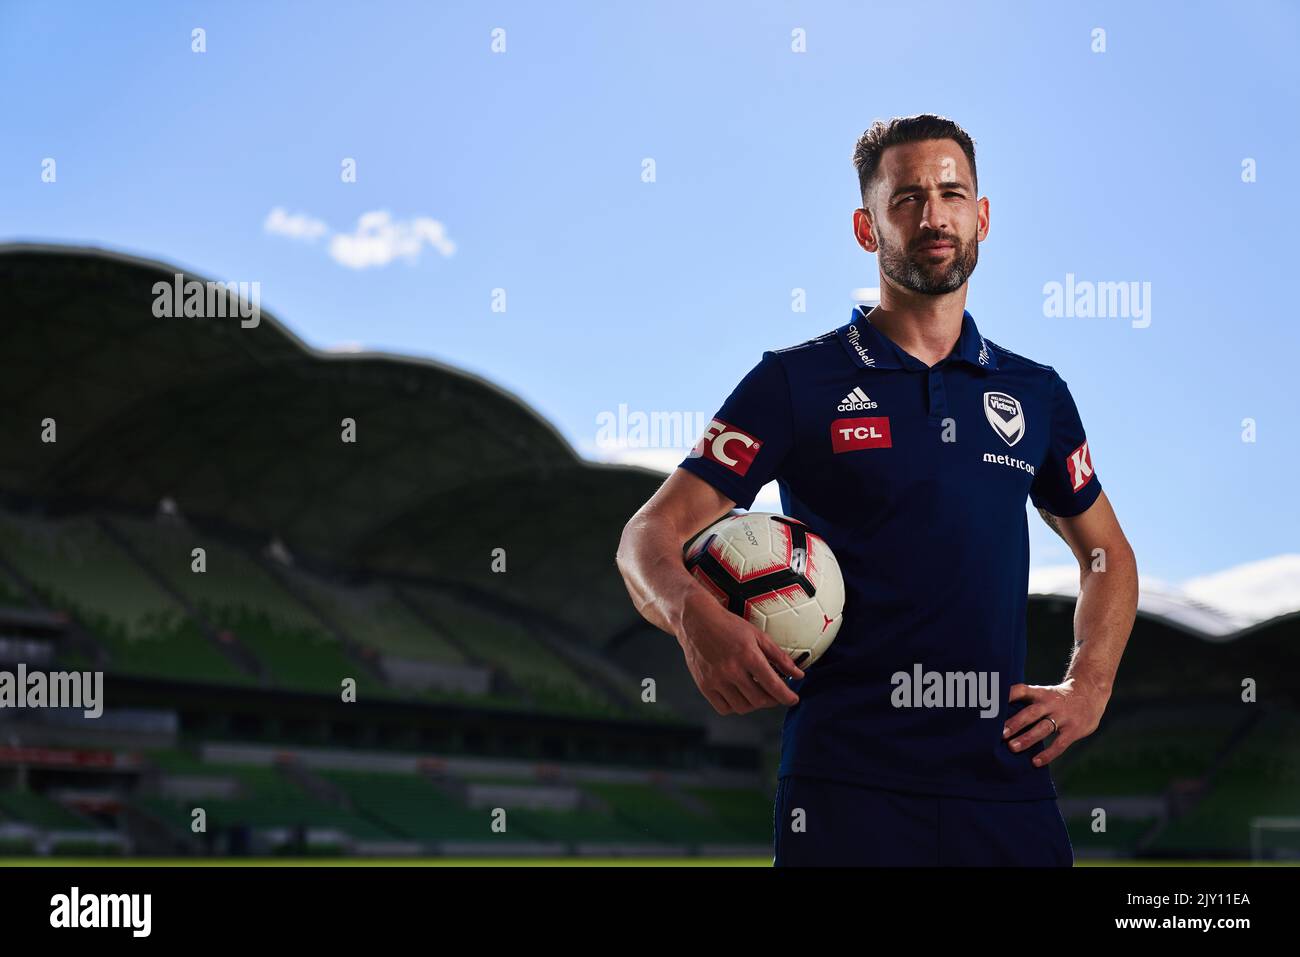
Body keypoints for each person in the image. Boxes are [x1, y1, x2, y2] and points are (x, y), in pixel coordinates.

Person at [615, 114, 1138, 866]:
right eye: (907, 199)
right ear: (867, 228)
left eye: (953, 194)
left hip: (1004, 788)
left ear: (982, 217)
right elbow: (646, 538)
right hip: (844, 789)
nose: (934, 215)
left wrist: (1088, 686)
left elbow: (1109, 555)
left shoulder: (1036, 394)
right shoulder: (794, 382)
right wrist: (693, 613)